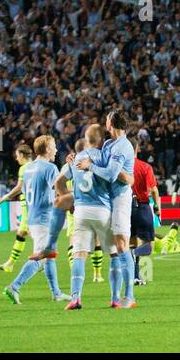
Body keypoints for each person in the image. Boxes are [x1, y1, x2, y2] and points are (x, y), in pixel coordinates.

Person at [77, 110, 136, 308]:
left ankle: (130, 296)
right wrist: (78, 161)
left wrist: (89, 166)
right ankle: (115, 297)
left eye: (107, 120)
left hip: (120, 198)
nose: (105, 123)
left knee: (121, 245)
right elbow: (99, 163)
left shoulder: (122, 146)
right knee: (112, 248)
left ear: (112, 123)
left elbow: (110, 174)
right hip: (107, 200)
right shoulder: (110, 144)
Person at [3, 135, 70, 304]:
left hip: (33, 218)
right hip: (43, 218)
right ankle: (14, 286)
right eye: (54, 146)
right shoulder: (49, 168)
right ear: (47, 149)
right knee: (41, 257)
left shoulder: (28, 168)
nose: (56, 149)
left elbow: (27, 192)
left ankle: (56, 293)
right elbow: (58, 190)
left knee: (49, 255)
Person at [62, 125, 112, 310]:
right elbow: (113, 177)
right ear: (100, 140)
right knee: (114, 253)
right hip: (101, 209)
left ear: (86, 137)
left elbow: (58, 181)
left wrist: (68, 200)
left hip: (80, 211)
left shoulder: (75, 159)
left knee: (79, 255)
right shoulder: (104, 157)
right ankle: (116, 297)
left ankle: (75, 298)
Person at [0, 144, 33, 272]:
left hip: (29, 205)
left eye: (17, 156)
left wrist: (5, 197)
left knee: (35, 235)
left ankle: (43, 262)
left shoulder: (24, 169)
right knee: (22, 233)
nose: (16, 159)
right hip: (32, 204)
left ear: (22, 155)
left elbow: (19, 187)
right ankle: (10, 264)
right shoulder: (37, 166)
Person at [130, 142, 161, 286]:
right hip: (142, 206)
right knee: (148, 244)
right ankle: (136, 258)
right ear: (137, 149)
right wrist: (157, 208)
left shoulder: (119, 167)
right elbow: (154, 190)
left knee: (130, 242)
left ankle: (135, 276)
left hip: (125, 208)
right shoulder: (145, 166)